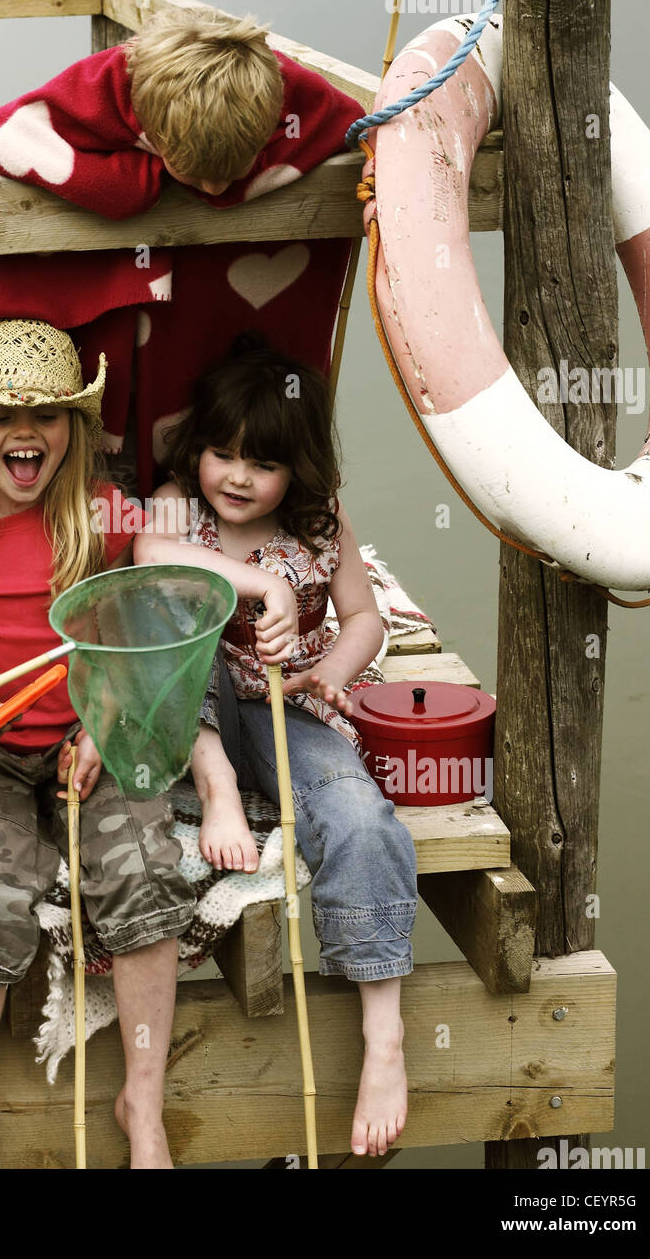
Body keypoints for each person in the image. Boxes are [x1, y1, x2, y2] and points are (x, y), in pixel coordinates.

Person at [0, 318, 196, 1170]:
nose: (24, 435)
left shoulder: (106, 518)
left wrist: (107, 718)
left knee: (142, 873)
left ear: (75, 430)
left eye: (48, 417)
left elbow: (143, 631)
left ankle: (144, 1097)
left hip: (85, 738)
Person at [0, 9, 366, 503]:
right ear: (154, 128)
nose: (217, 190)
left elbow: (359, 126)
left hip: (207, 313)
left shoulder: (283, 90)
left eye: (233, 171)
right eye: (195, 172)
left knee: (212, 429)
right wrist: (133, 186)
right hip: (129, 323)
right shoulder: (110, 85)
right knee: (122, 454)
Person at [133, 337, 417, 1159]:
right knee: (166, 626)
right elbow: (148, 557)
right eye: (222, 453)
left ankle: (384, 1035)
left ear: (297, 468)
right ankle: (216, 784)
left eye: (260, 463)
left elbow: (363, 617)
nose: (236, 476)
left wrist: (329, 670)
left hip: (286, 706)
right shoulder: (179, 507)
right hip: (198, 707)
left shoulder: (323, 525)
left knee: (361, 818)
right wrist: (257, 584)